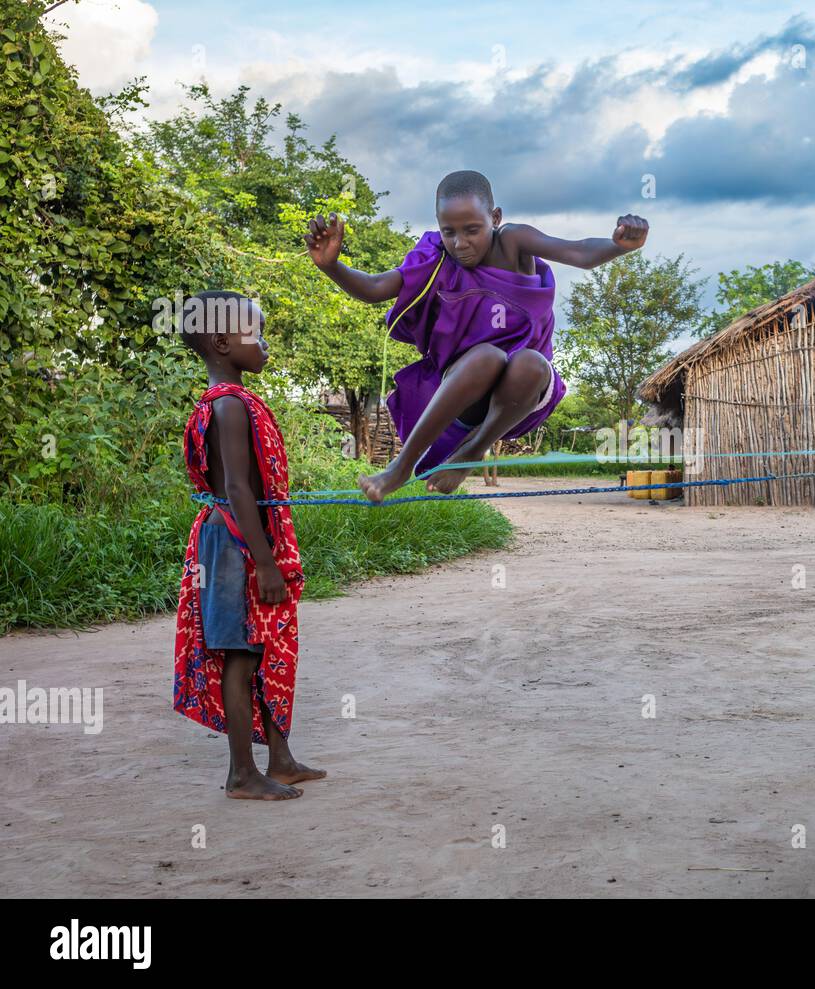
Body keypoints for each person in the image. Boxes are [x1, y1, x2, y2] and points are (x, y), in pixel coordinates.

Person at [304, 169, 649, 501]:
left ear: (495, 218)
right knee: (488, 356)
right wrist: (332, 266)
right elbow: (377, 287)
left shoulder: (514, 242)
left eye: (472, 230)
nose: (460, 243)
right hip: (464, 391)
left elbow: (579, 252)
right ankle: (401, 466)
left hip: (520, 398)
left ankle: (470, 452)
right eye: (449, 231)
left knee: (531, 362)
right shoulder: (435, 257)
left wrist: (619, 246)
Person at [173, 291, 325, 799]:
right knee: (241, 653)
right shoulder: (230, 406)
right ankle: (242, 773)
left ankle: (280, 760)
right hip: (236, 544)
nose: (264, 344)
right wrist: (265, 563)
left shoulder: (231, 402)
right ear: (220, 342)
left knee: (266, 647)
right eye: (255, 334)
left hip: (243, 538)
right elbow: (238, 488)